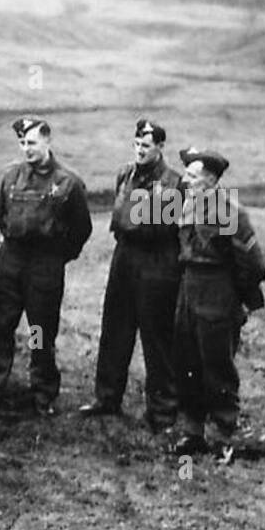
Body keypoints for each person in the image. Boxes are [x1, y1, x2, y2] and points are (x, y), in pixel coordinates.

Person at [0, 116, 93, 416]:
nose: (26, 149)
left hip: (45, 264)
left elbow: (81, 229)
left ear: (47, 141)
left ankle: (42, 392)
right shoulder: (10, 176)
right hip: (11, 259)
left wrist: (57, 256)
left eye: (31, 142)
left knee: (40, 330)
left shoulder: (68, 182)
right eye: (22, 143)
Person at [80, 119, 184, 431]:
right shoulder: (124, 174)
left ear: (160, 148)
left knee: (156, 336)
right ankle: (107, 397)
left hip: (157, 263)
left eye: (147, 146)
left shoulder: (174, 182)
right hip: (124, 257)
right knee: (114, 328)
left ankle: (163, 409)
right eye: (137, 144)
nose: (140, 150)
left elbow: (164, 226)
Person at [171, 147, 265, 457]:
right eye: (186, 174)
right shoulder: (186, 205)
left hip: (218, 293)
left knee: (218, 366)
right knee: (187, 362)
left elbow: (253, 264)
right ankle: (193, 432)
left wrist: (238, 300)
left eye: (192, 176)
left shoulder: (230, 211)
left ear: (211, 180)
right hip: (189, 291)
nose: (185, 180)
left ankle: (224, 434)